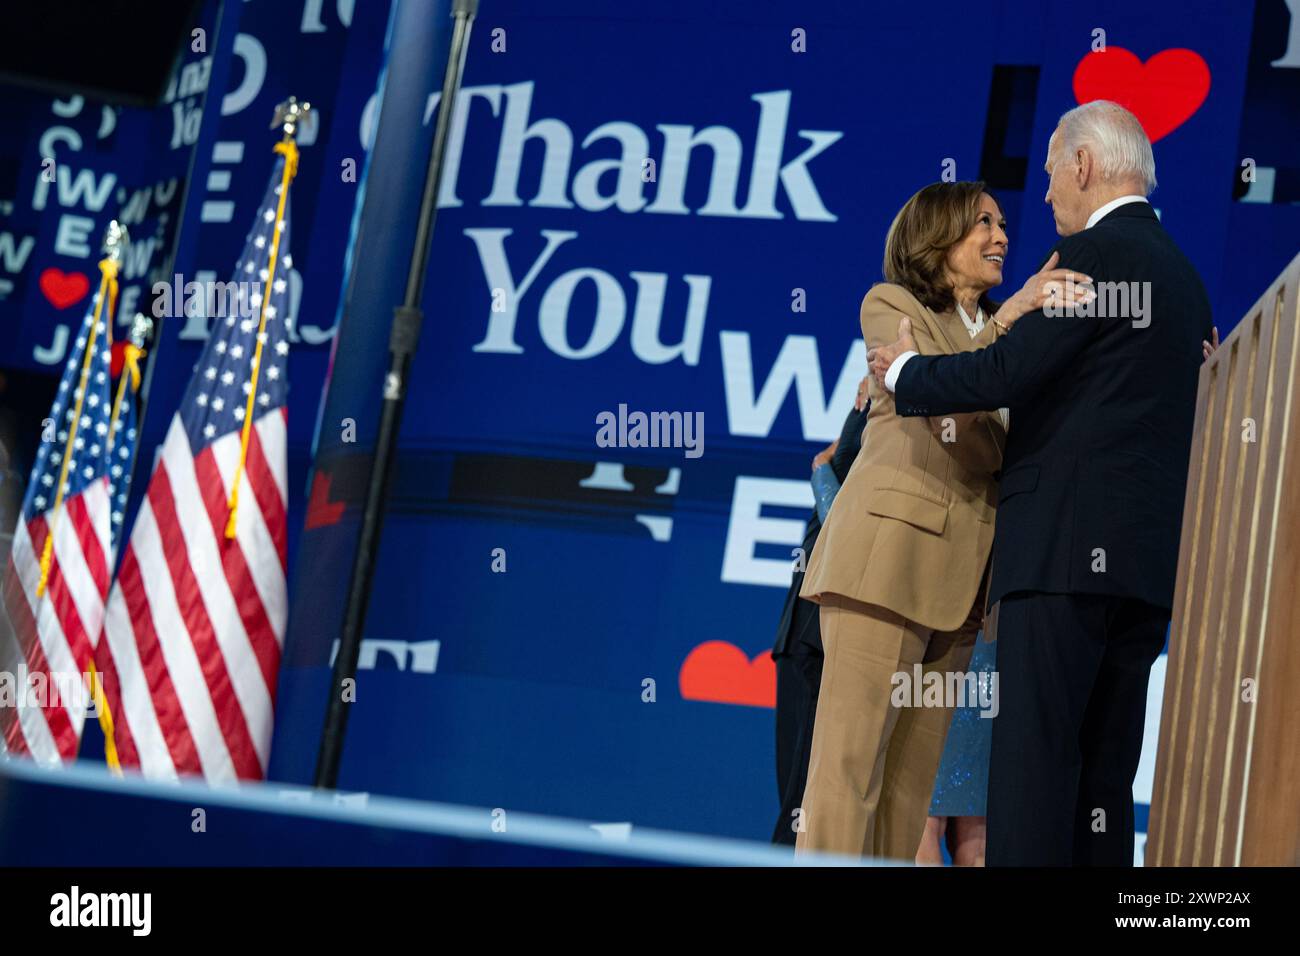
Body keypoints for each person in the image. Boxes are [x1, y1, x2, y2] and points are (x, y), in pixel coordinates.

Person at [869, 100, 1215, 866]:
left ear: (1085, 165)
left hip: (1062, 555)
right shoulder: (1185, 277)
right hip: (1143, 569)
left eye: (1054, 170)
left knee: (1032, 771)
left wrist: (907, 372)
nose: (1050, 192)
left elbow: (1011, 369)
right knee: (1103, 780)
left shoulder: (1097, 257)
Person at [794, 180, 1088, 859]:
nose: (1002, 236)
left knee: (909, 791)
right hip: (884, 568)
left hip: (962, 594)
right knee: (848, 774)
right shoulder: (893, 304)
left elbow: (967, 402)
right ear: (936, 238)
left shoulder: (996, 335)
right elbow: (955, 412)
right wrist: (1009, 319)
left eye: (1004, 223)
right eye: (982, 223)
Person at [770, 380, 869, 846]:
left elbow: (846, 520)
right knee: (796, 804)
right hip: (805, 639)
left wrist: (823, 471)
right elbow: (837, 518)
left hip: (823, 641)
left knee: (806, 807)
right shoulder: (866, 422)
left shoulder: (901, 424)